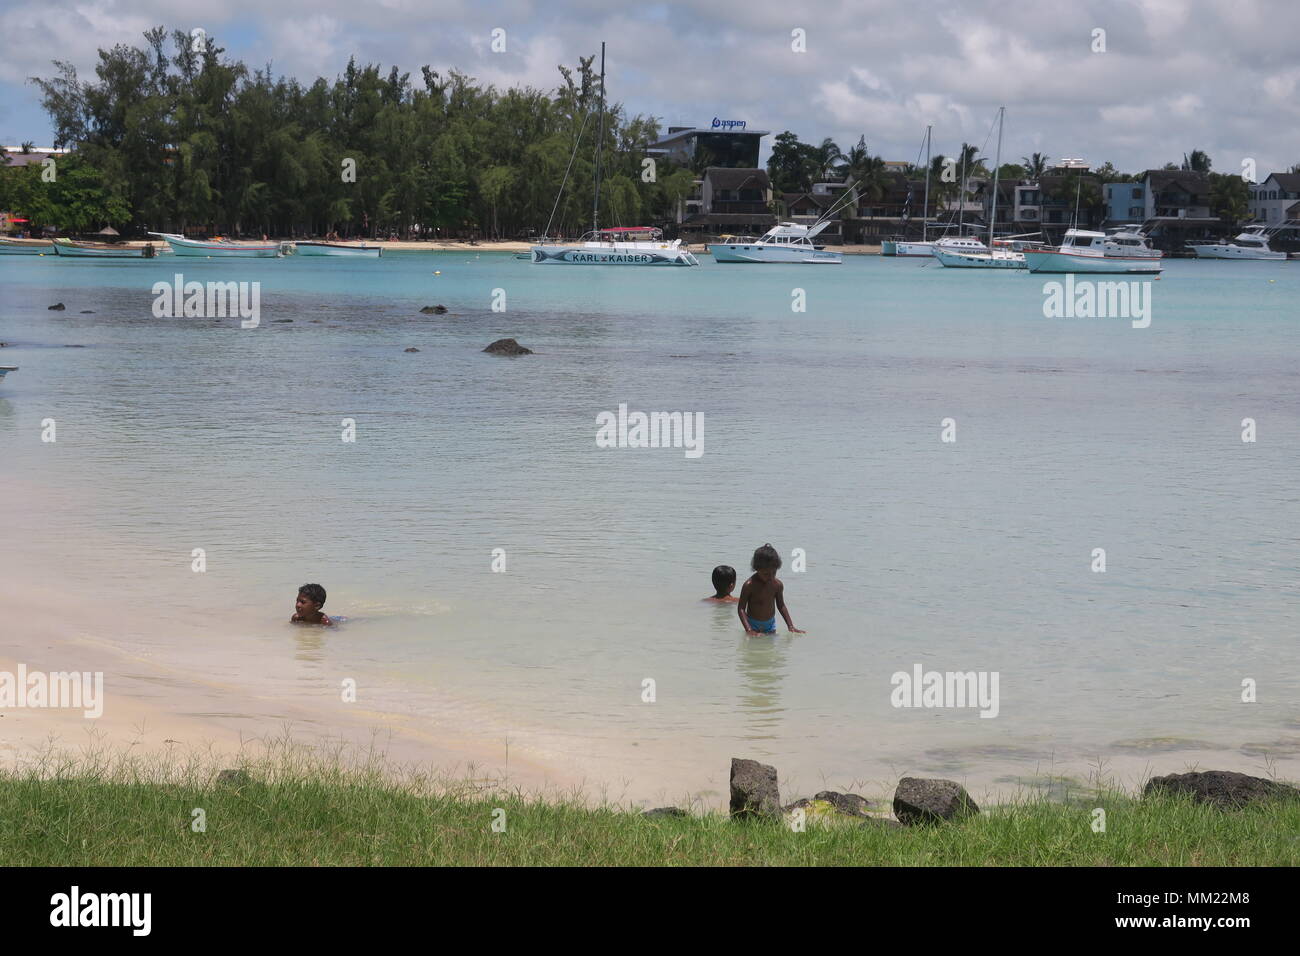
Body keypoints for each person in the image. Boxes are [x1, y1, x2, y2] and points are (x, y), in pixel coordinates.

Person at [737, 544, 803, 635]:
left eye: (774, 572)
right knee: (752, 648)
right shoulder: (749, 585)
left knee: (770, 648)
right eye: (766, 573)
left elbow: (781, 606)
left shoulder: (777, 585)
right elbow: (741, 608)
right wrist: (748, 629)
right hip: (752, 624)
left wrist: (790, 626)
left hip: (770, 625)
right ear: (756, 568)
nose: (771, 576)